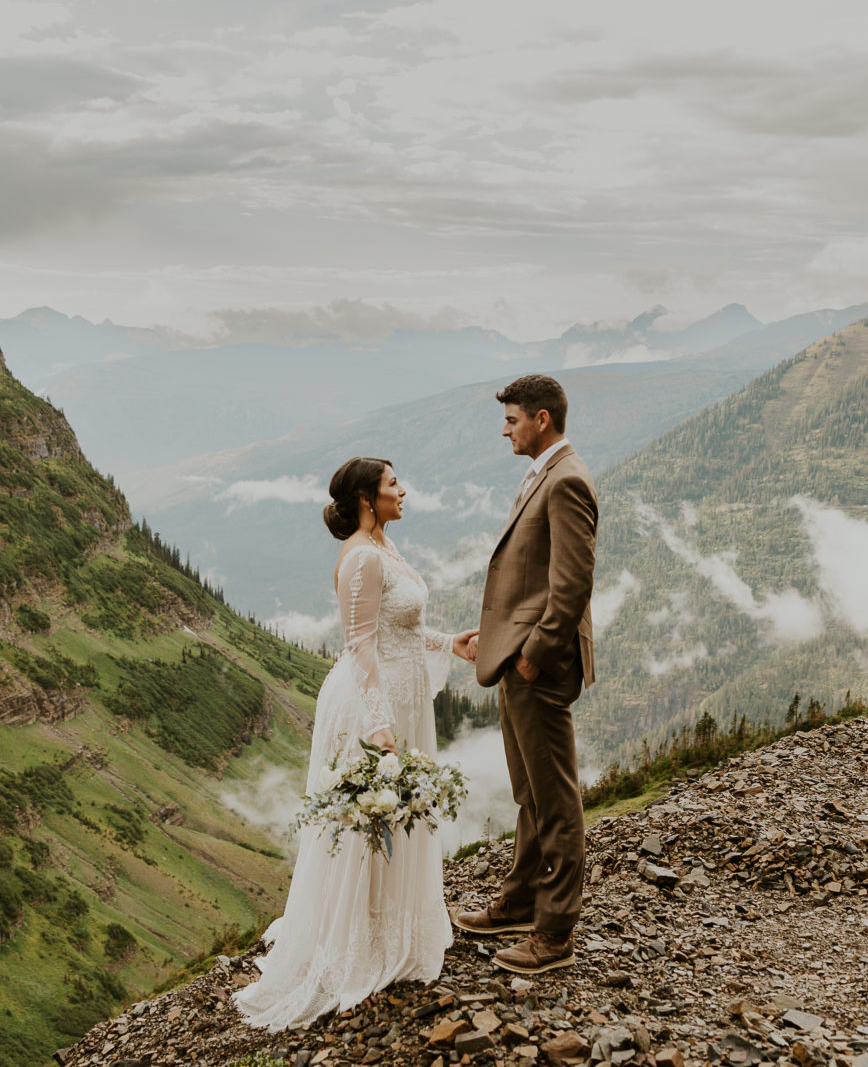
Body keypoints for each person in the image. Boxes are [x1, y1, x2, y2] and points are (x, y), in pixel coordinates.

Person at [234, 456, 478, 1030]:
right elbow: (362, 645)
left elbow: (404, 630)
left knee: (393, 817)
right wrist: (377, 724)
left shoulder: (384, 547)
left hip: (402, 699)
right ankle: (353, 944)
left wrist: (451, 645)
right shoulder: (364, 556)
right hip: (374, 704)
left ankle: (385, 927)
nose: (404, 491)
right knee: (368, 819)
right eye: (394, 484)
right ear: (368, 498)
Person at [451, 374, 597, 975]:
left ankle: (555, 933)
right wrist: (506, 638)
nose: (504, 429)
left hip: (539, 665)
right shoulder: (546, 473)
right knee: (528, 791)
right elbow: (533, 576)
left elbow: (570, 584)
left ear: (541, 418)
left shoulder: (566, 481)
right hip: (517, 657)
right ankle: (519, 899)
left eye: (511, 419)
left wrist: (534, 651)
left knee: (554, 797)